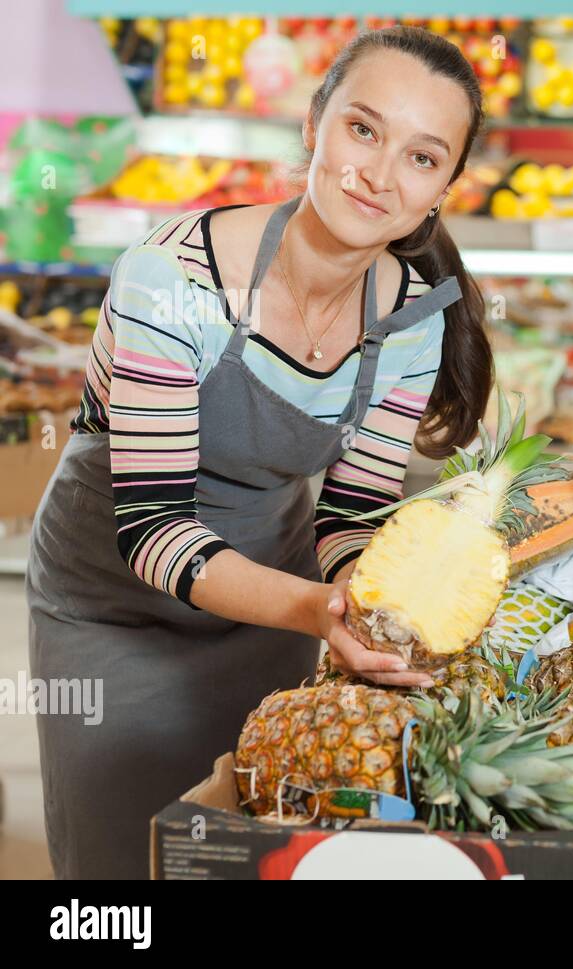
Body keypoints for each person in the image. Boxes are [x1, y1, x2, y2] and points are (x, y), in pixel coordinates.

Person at [26, 26, 492, 879]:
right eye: (362, 129)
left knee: (249, 848)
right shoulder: (174, 280)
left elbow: (353, 509)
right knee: (119, 864)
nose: (380, 174)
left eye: (423, 158)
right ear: (315, 123)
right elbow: (154, 528)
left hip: (268, 606)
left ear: (444, 189)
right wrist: (318, 611)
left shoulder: (412, 319)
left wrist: (364, 592)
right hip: (115, 605)